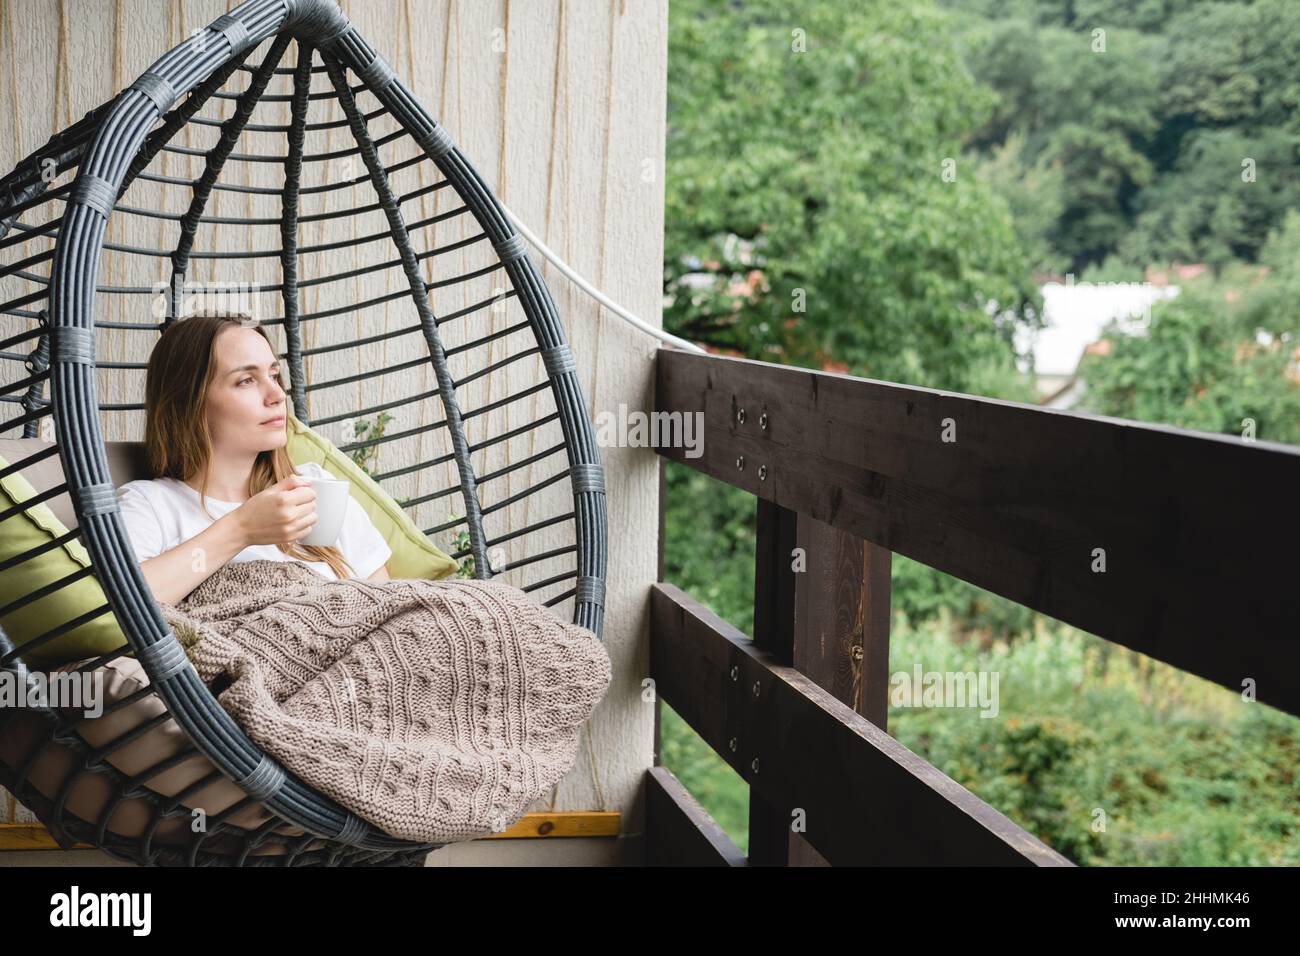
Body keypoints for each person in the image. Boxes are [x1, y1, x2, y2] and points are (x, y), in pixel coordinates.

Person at [116, 310, 393, 605]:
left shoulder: (315, 488)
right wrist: (241, 529)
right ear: (189, 402)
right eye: (246, 380)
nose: (276, 395)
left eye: (273, 375)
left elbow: (389, 605)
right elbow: (124, 606)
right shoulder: (151, 506)